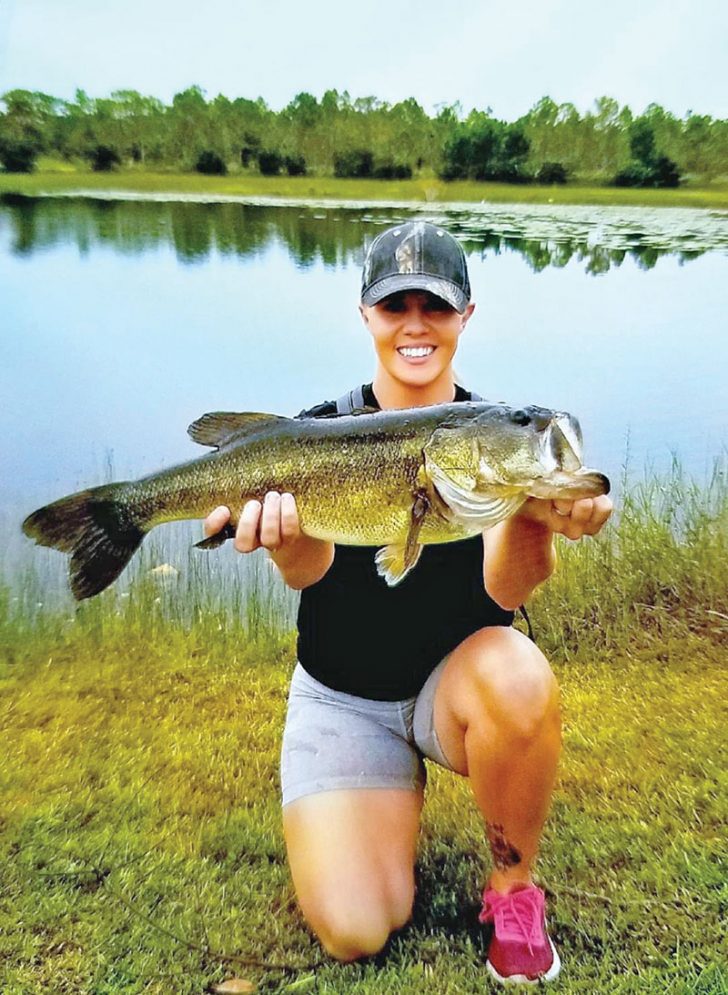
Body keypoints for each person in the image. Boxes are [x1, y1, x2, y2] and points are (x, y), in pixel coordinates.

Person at [204, 220, 612, 984]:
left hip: (447, 696)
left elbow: (507, 590)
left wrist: (536, 512)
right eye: (396, 305)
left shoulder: (488, 433)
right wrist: (283, 539)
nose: (415, 325)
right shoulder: (317, 429)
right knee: (357, 927)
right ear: (366, 314)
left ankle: (513, 890)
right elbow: (307, 574)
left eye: (436, 305)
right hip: (344, 697)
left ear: (466, 315)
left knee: (519, 672)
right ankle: (382, 792)